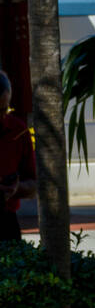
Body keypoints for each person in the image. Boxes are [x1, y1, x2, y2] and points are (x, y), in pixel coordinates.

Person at [0, 73, 37, 243]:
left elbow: (33, 184)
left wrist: (15, 188)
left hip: (7, 221)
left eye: (3, 110)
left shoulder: (18, 130)